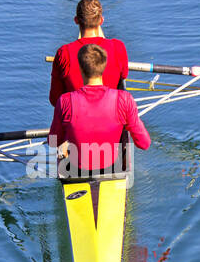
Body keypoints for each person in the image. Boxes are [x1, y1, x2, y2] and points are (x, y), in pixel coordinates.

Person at [49, 44, 150, 178]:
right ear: (104, 67)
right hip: (112, 171)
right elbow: (144, 143)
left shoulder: (64, 101)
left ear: (80, 68)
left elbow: (53, 141)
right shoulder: (124, 99)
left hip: (75, 173)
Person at [49, 0, 130, 107]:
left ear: (76, 20)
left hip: (76, 120)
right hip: (111, 116)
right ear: (101, 20)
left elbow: (55, 99)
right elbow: (124, 75)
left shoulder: (63, 52)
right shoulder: (118, 47)